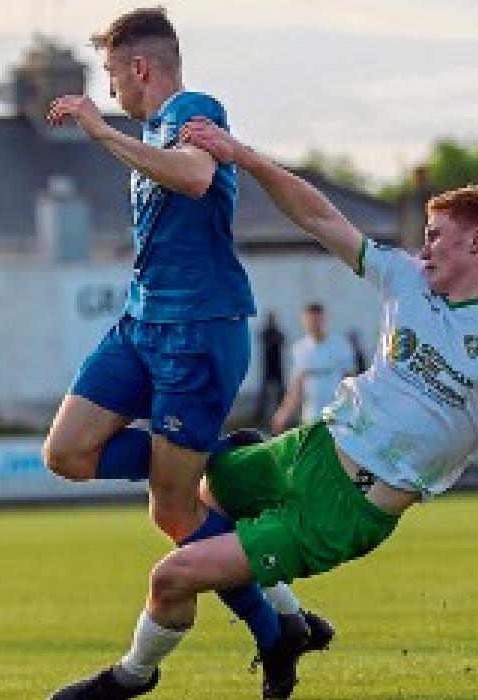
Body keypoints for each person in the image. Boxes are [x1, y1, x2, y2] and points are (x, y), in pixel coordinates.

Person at [48, 121, 478, 700]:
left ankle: (132, 675)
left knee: (171, 578)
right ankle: (287, 624)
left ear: (476, 243)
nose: (424, 247)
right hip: (313, 446)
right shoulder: (407, 281)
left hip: (347, 506)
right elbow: (319, 217)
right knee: (199, 494)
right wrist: (244, 158)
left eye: (436, 236)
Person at [42, 7, 307, 671]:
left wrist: (100, 132)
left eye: (112, 76)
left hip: (198, 331)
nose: (109, 92)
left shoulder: (195, 108)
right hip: (141, 324)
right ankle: (211, 455)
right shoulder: (152, 131)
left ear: (140, 68)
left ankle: (278, 636)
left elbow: (194, 176)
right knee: (67, 453)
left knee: (173, 511)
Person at [271, 303, 356, 435]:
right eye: (309, 321)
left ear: (324, 320)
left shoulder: (341, 345)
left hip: (338, 417)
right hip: (311, 416)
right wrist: (283, 413)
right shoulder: (299, 348)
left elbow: (351, 381)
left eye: (316, 320)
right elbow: (296, 387)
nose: (313, 325)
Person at [257, 312, 286, 425]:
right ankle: (260, 415)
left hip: (277, 367)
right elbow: (261, 337)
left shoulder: (277, 332)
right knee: (264, 394)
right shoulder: (266, 332)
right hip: (268, 368)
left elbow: (282, 340)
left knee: (280, 392)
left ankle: (281, 413)